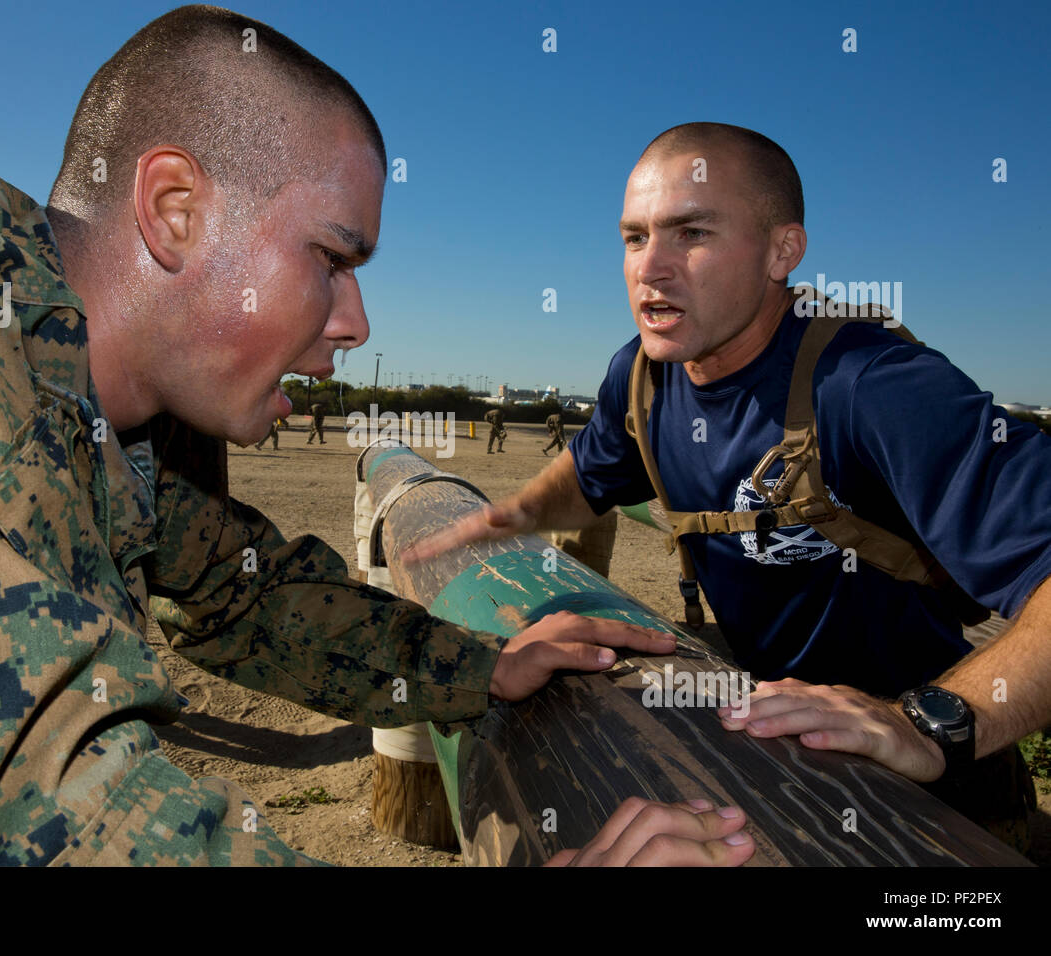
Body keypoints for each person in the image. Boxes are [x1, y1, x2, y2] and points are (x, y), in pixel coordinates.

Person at [0, 7, 753, 867]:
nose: (356, 321)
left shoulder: (116, 395)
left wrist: (476, 664)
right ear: (176, 212)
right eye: (331, 255)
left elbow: (240, 594)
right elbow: (15, 813)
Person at [405, 122, 1051, 849]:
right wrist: (509, 516)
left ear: (783, 252)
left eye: (691, 234)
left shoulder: (874, 385)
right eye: (634, 237)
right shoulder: (644, 378)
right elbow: (589, 476)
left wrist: (924, 722)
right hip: (778, 748)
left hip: (940, 781)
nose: (651, 268)